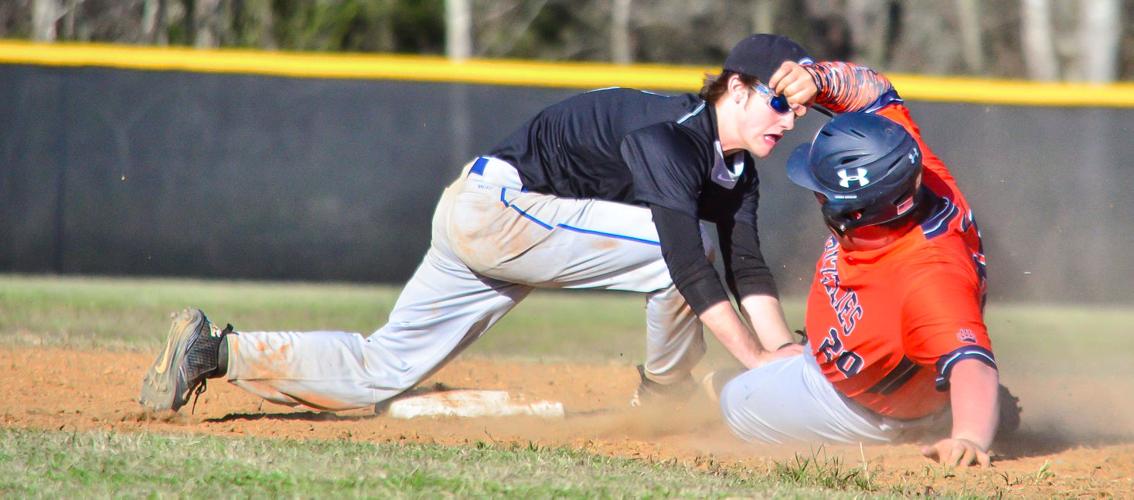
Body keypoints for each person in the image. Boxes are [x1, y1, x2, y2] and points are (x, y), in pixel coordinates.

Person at [138, 34, 817, 415]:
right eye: (778, 101)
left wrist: (777, 349)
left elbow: (747, 265)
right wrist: (753, 361)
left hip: (489, 212)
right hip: (503, 212)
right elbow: (689, 266)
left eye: (799, 110)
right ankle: (666, 398)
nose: (789, 120)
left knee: (384, 368)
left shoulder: (735, 172)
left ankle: (215, 351)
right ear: (733, 89)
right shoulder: (671, 137)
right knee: (685, 248)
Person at [710, 61, 1011, 467]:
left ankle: (951, 416)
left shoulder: (930, 275)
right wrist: (818, 79)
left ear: (854, 212)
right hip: (861, 361)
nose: (817, 196)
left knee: (734, 401)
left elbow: (972, 361)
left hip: (868, 408)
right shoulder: (907, 164)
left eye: (824, 190)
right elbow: (875, 92)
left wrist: (970, 437)